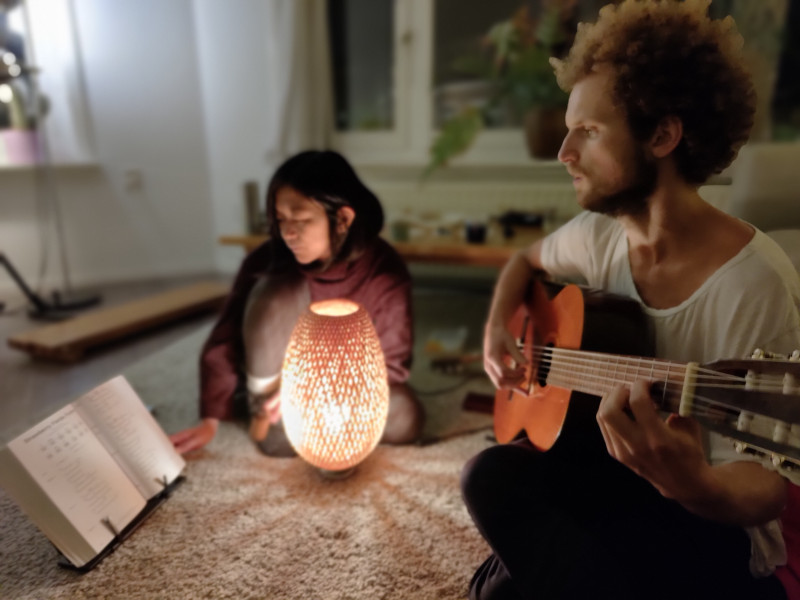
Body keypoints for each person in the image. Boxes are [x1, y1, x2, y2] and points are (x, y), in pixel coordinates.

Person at [464, 1, 800, 599]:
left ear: (663, 135)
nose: (564, 152)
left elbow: (769, 484)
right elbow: (524, 261)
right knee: (491, 473)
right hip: (612, 477)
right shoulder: (600, 236)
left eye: (588, 132)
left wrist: (693, 483)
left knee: (500, 575)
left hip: (710, 531)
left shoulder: (754, 282)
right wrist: (497, 329)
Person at [170, 150, 423, 456]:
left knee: (405, 416)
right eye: (280, 220)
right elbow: (225, 339)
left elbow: (393, 365)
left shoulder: (384, 272)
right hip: (277, 396)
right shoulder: (266, 260)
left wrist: (320, 391)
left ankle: (333, 443)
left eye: (301, 220)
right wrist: (210, 420)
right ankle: (271, 418)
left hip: (352, 393)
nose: (288, 233)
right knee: (280, 293)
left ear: (342, 218)